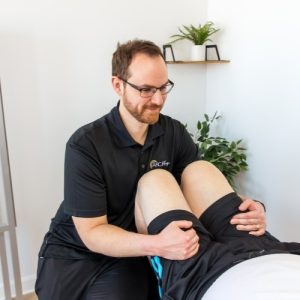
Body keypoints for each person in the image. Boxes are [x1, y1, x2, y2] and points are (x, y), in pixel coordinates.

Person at [35, 39, 267, 299]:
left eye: (163, 87)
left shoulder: (173, 133)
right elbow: (92, 233)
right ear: (118, 85)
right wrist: (158, 244)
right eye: (146, 90)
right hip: (77, 251)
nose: (158, 99)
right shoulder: (86, 145)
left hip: (133, 250)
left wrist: (246, 207)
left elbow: (201, 187)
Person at [134, 167, 300, 299]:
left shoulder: (173, 133)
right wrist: (256, 206)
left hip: (200, 281)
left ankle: (161, 279)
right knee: (199, 170)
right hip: (270, 252)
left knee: (153, 180)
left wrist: (156, 245)